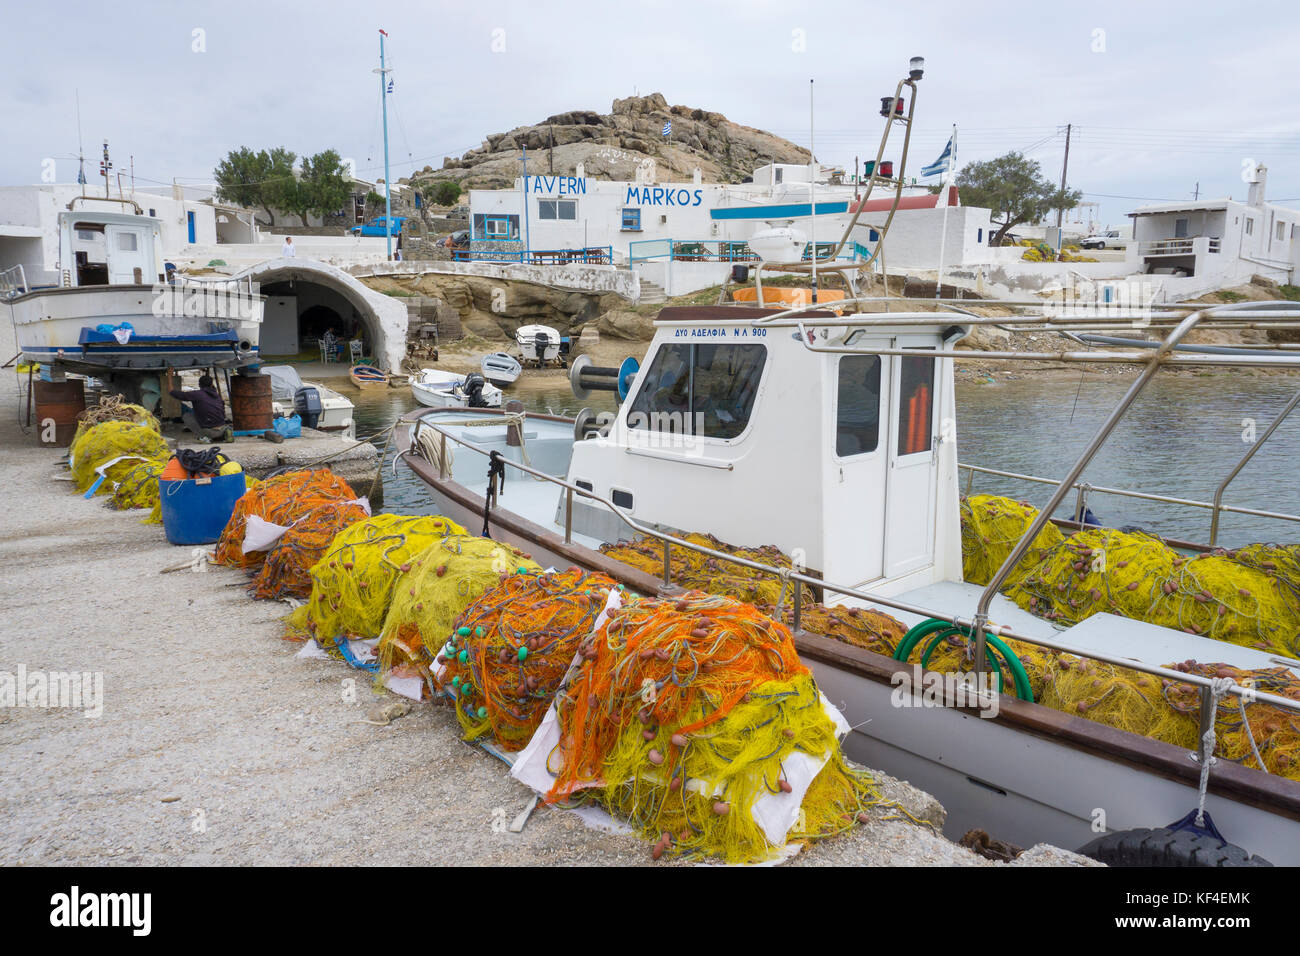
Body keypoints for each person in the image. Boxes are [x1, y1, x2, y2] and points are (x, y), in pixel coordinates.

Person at [168, 371, 232, 443]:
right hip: (222, 428)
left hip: (208, 431)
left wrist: (169, 376)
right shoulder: (217, 396)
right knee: (198, 410)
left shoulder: (197, 394)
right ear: (212, 384)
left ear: (199, 385)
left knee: (187, 416)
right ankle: (225, 432)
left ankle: (204, 437)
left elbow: (172, 392)